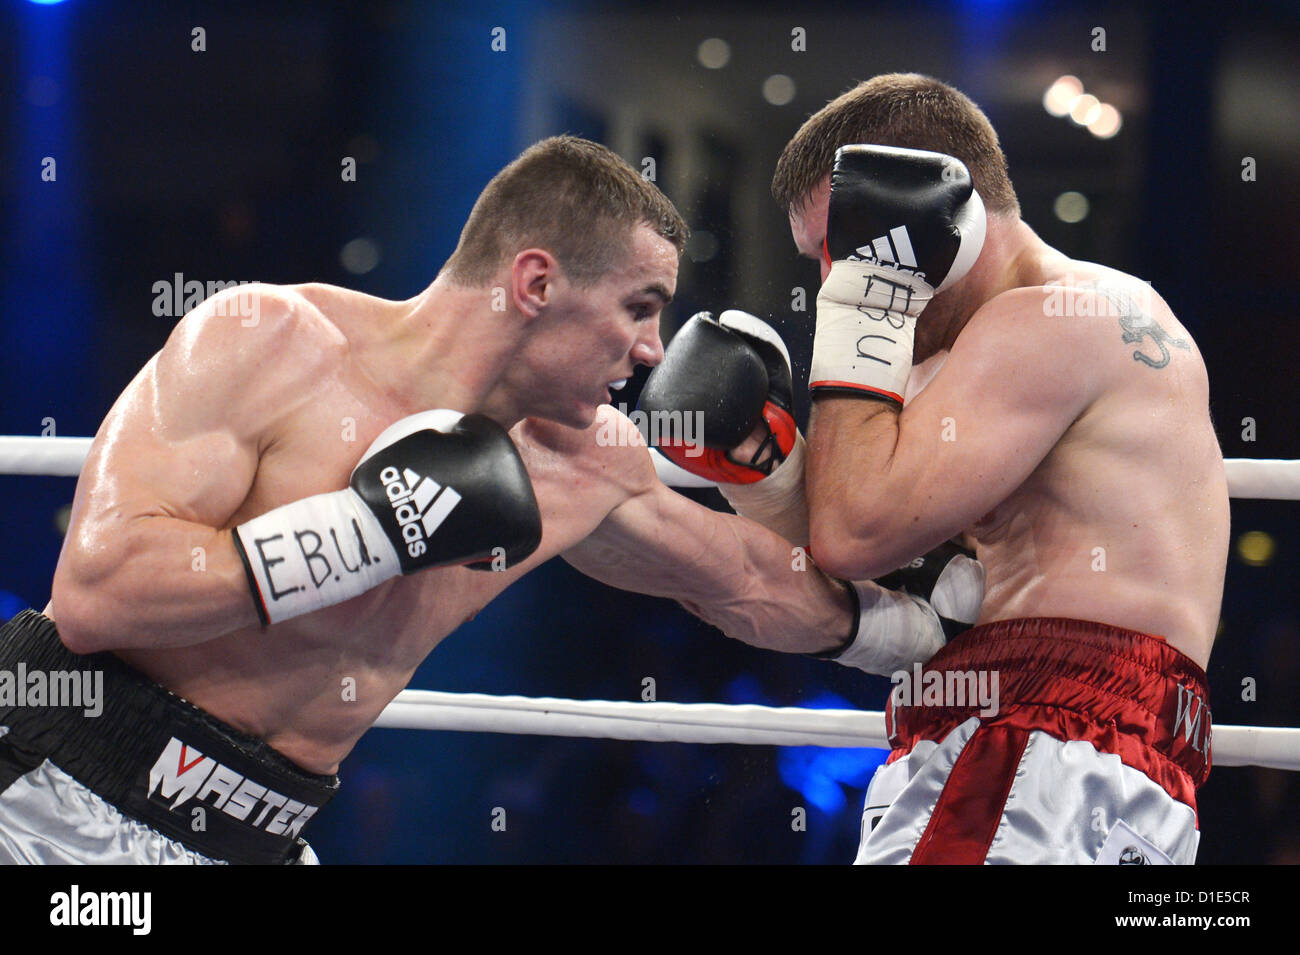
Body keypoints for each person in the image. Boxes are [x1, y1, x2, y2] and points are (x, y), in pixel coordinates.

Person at [0, 135, 963, 865]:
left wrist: (931, 640)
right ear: (536, 280)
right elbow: (98, 594)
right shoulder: (268, 340)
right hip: (51, 785)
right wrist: (365, 533)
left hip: (255, 831)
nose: (653, 354)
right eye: (640, 306)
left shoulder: (580, 460)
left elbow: (751, 583)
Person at [647, 74, 1228, 864]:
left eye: (841, 246)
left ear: (933, 207)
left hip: (1034, 741)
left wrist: (864, 311)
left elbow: (854, 535)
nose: (831, 281)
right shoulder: (967, 355)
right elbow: (897, 573)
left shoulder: (1059, 319)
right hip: (1068, 752)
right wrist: (768, 473)